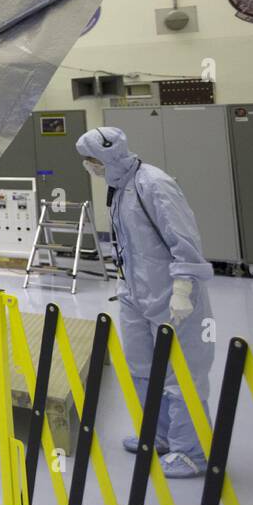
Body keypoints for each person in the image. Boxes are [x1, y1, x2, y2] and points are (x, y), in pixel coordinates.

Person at [76, 127, 214, 478]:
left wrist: (183, 288)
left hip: (172, 295)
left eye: (92, 161)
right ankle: (158, 435)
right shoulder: (119, 188)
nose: (90, 167)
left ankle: (192, 451)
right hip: (135, 295)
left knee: (181, 373)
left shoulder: (154, 184)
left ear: (108, 157)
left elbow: (183, 238)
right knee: (141, 369)